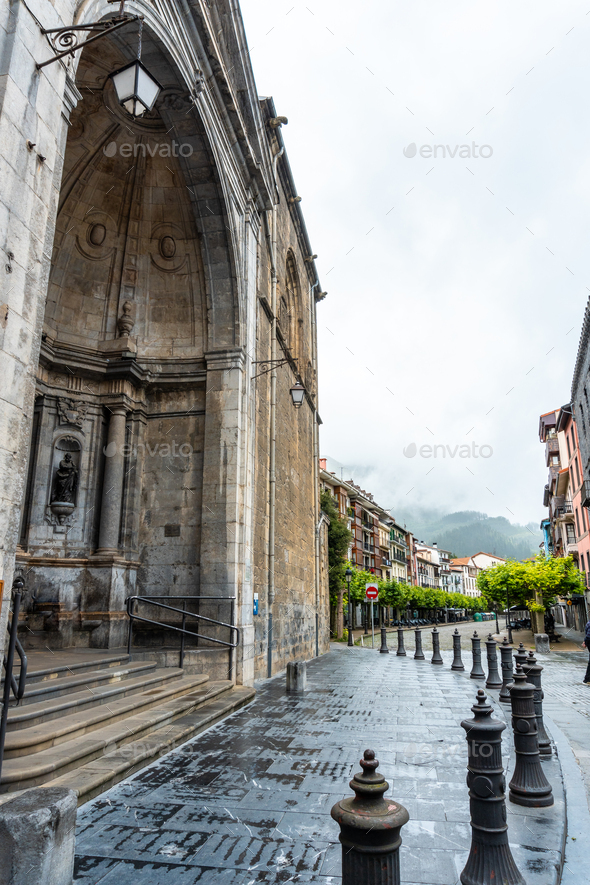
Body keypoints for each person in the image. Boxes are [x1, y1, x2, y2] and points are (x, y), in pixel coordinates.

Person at [583, 619, 590, 684]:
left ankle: (587, 679)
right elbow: (588, 636)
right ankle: (587, 679)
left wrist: (585, 642)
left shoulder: (588, 623)